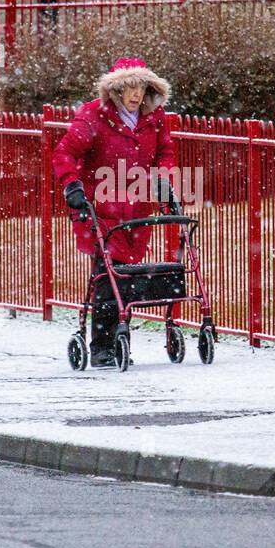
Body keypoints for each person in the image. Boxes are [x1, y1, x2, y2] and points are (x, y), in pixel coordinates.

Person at [52, 58, 177, 368]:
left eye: (141, 88)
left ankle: (120, 336)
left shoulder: (155, 117)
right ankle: (103, 346)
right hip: (101, 207)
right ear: (116, 88)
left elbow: (165, 152)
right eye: (129, 88)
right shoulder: (94, 115)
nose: (136, 95)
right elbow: (65, 151)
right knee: (109, 276)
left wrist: (163, 179)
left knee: (128, 276)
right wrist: (72, 185)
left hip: (137, 208)